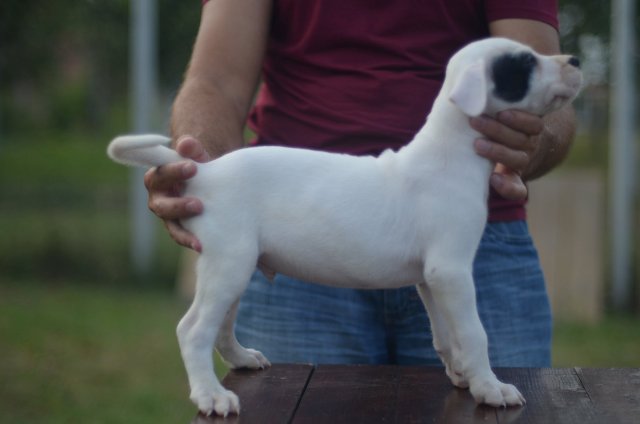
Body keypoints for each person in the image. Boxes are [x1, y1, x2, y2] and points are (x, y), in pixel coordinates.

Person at [144, 0, 576, 367]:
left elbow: (544, 82)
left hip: (478, 246)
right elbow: (214, 82)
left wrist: (528, 142)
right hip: (297, 234)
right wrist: (211, 178)